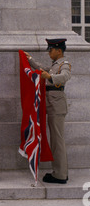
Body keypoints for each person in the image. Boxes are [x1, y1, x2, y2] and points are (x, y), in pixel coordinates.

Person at [24, 38, 71, 184]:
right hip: (52, 106)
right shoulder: (54, 65)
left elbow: (64, 77)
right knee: (55, 140)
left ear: (59, 50)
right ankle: (60, 171)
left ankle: (60, 174)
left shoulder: (64, 64)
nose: (49, 53)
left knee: (57, 141)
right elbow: (41, 68)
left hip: (57, 107)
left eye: (51, 50)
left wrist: (50, 77)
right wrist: (30, 59)